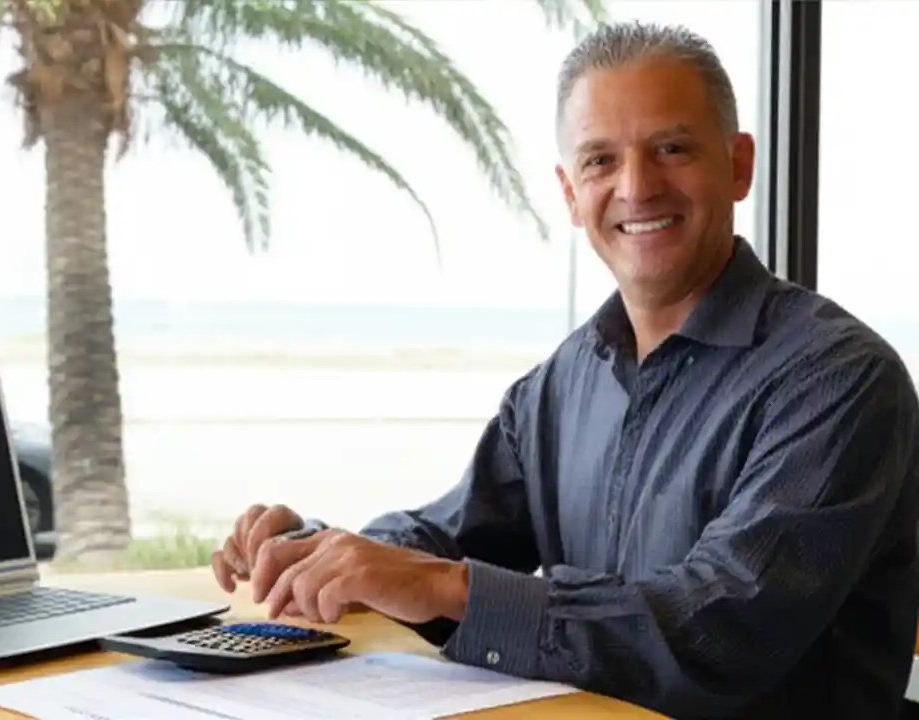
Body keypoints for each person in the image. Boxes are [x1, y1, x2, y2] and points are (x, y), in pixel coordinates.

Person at [210, 21, 919, 720]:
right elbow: (451, 538)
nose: (637, 187)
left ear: (738, 165)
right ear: (570, 193)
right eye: (600, 161)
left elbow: (719, 629)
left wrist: (441, 585)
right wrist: (321, 551)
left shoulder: (840, 381)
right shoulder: (560, 383)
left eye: (671, 148)